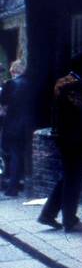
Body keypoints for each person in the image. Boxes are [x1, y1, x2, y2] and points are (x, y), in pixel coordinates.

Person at [38, 59, 82, 233]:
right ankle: (70, 220)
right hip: (74, 138)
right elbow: (81, 109)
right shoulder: (74, 84)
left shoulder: (62, 81)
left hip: (63, 137)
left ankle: (48, 214)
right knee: (74, 179)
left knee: (68, 177)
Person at [1, 60, 31, 196]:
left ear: (13, 71)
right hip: (28, 125)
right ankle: (20, 183)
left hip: (13, 124)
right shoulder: (30, 84)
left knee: (14, 155)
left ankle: (12, 188)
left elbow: (3, 103)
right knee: (21, 154)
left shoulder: (11, 84)